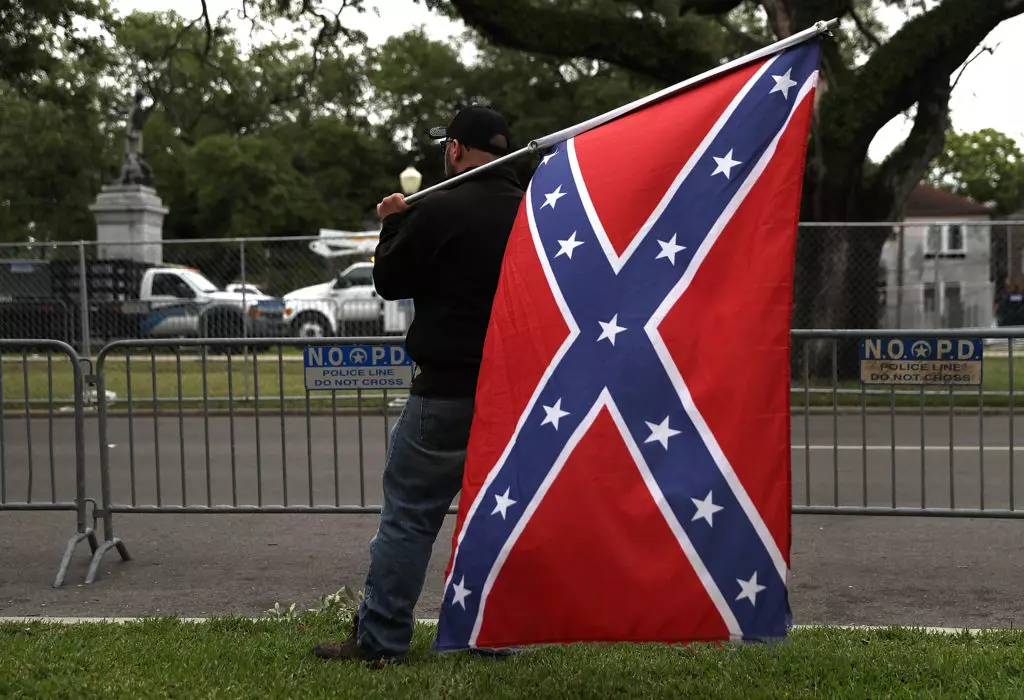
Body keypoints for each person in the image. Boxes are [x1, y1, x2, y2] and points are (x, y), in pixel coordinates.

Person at [312, 105, 525, 666]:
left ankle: (381, 641)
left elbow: (389, 279)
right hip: (518, 396)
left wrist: (394, 222)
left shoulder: (441, 206)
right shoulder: (534, 210)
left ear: (454, 149)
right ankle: (489, 636)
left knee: (408, 517)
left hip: (446, 389)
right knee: (495, 516)